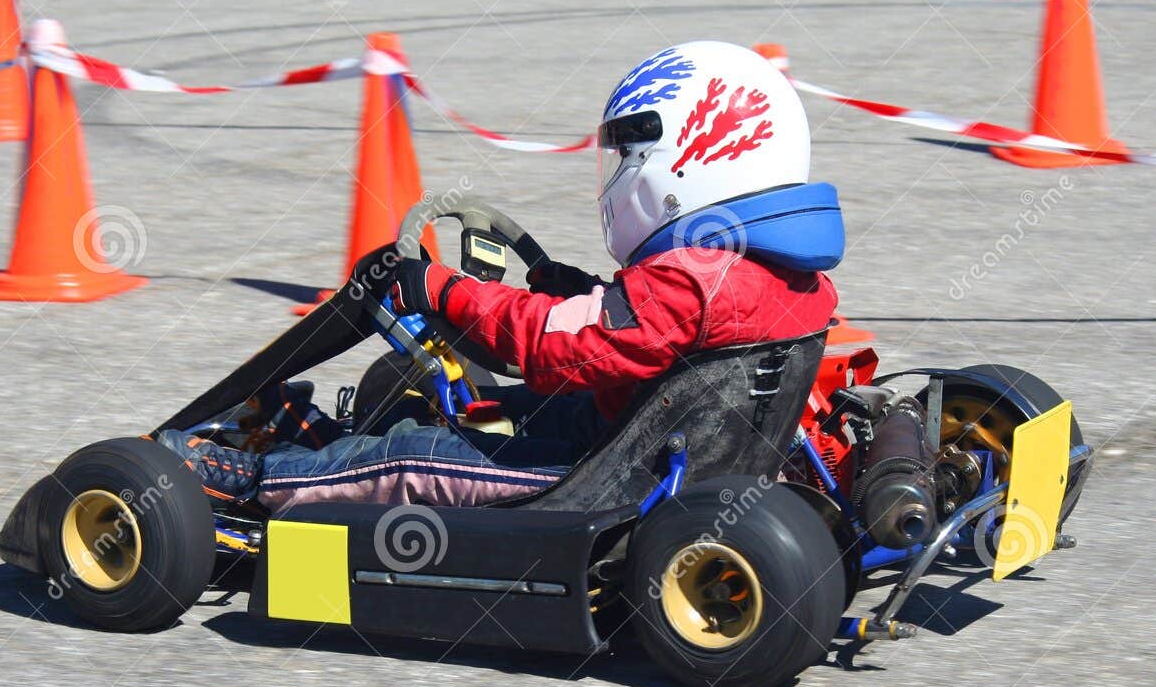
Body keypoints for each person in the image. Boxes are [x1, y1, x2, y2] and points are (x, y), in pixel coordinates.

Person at [158, 40, 844, 511]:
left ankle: (244, 482)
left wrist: (442, 290)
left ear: (693, 159)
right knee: (454, 412)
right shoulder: (768, 272)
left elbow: (558, 346)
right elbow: (635, 333)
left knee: (406, 460)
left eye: (632, 158)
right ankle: (320, 446)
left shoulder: (691, 277)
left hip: (597, 485)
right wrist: (565, 285)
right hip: (647, 440)